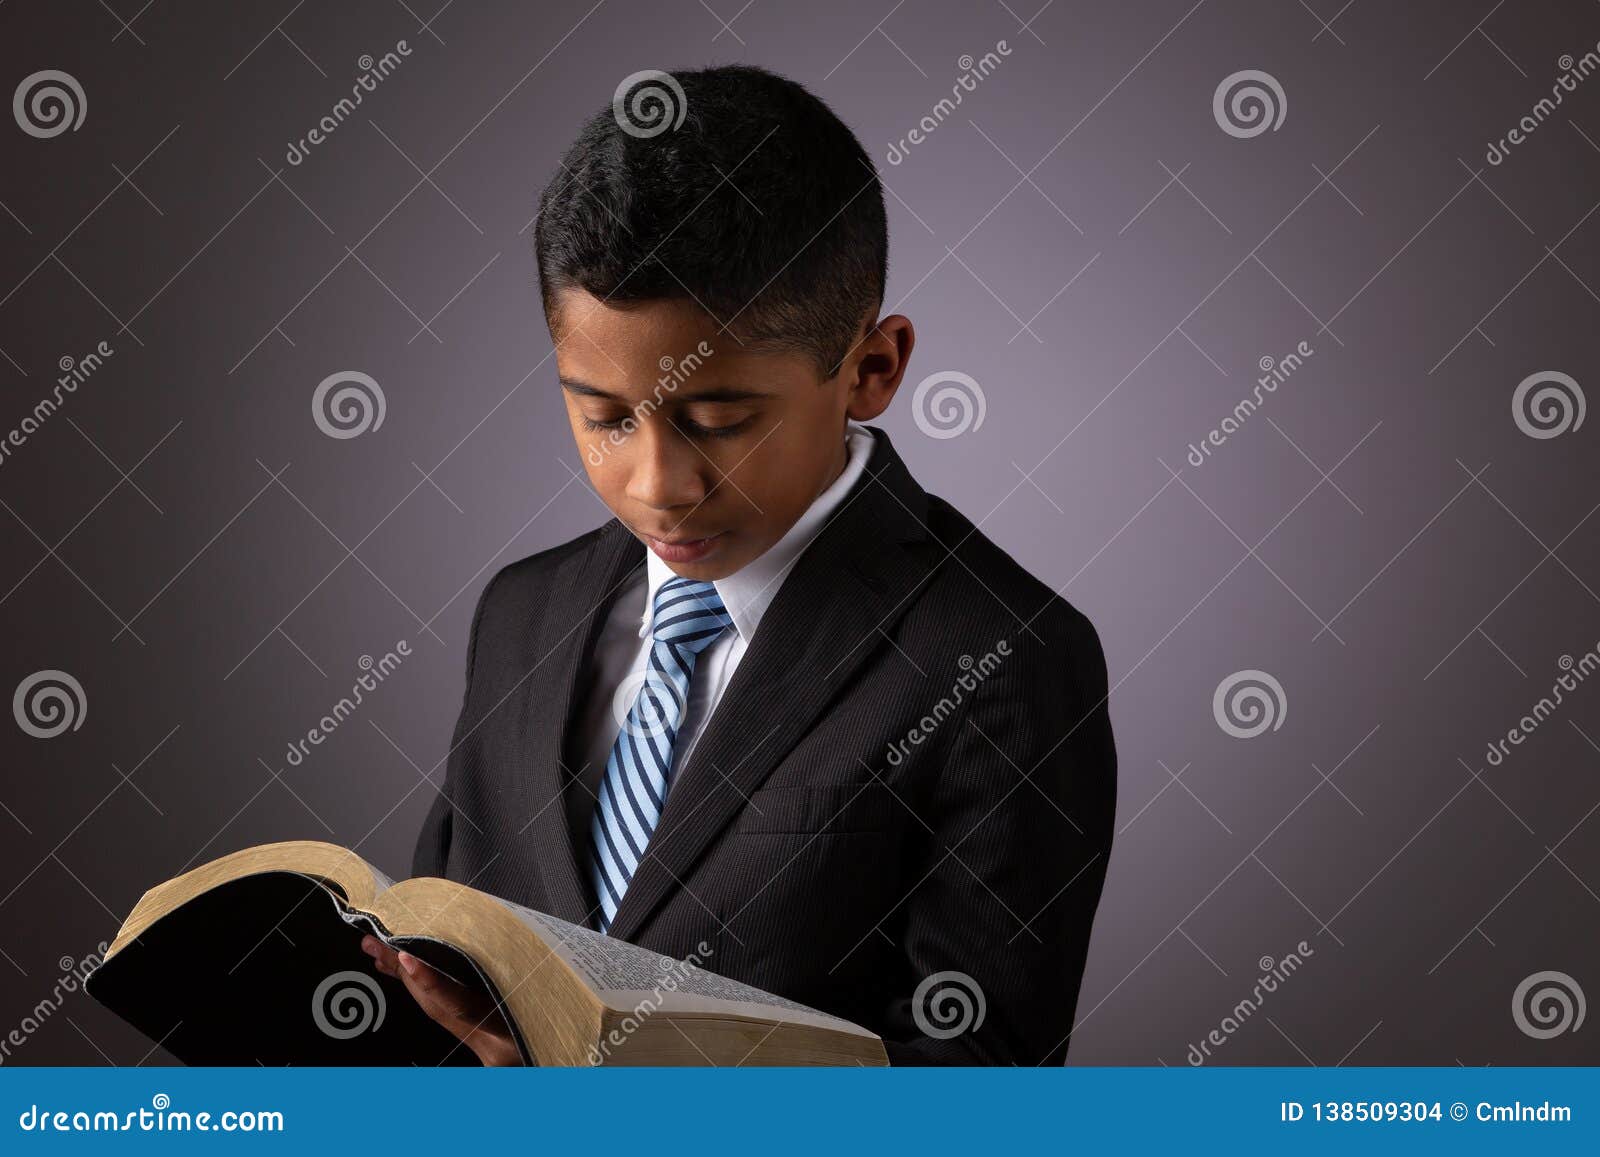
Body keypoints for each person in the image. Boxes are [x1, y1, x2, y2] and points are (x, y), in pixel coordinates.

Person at [362, 63, 1117, 1066]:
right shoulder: (522, 614)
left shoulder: (998, 658)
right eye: (602, 416)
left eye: (719, 421)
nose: (657, 484)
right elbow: (446, 985)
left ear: (872, 368)